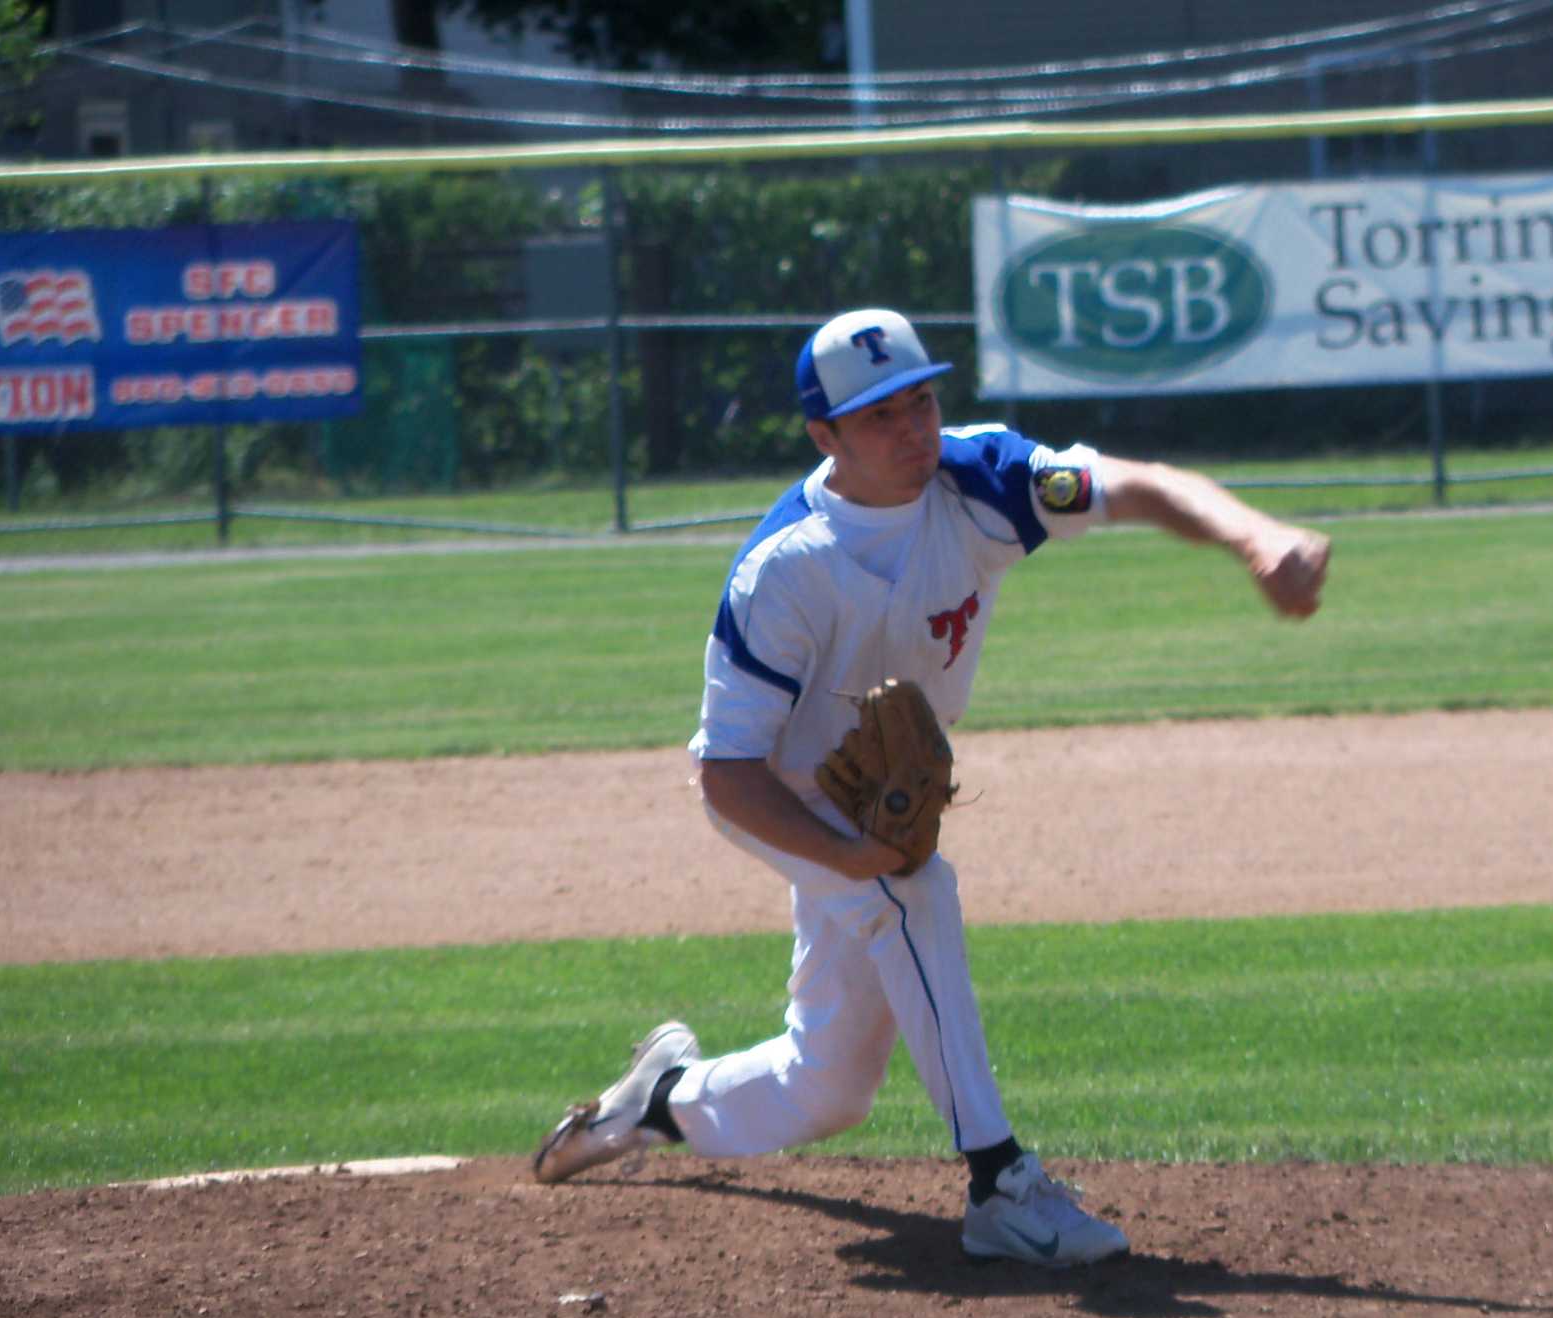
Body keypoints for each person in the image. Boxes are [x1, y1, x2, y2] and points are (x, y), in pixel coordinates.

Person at [532, 307, 1330, 1267]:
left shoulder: (980, 476)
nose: (913, 430)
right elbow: (727, 773)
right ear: (825, 436)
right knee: (912, 887)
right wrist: (837, 853)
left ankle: (660, 1101)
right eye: (879, 417)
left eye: (921, 401)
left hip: (877, 799)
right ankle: (999, 1182)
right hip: (780, 797)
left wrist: (1255, 537)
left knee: (828, 1088)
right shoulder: (784, 570)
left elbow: (1137, 485)